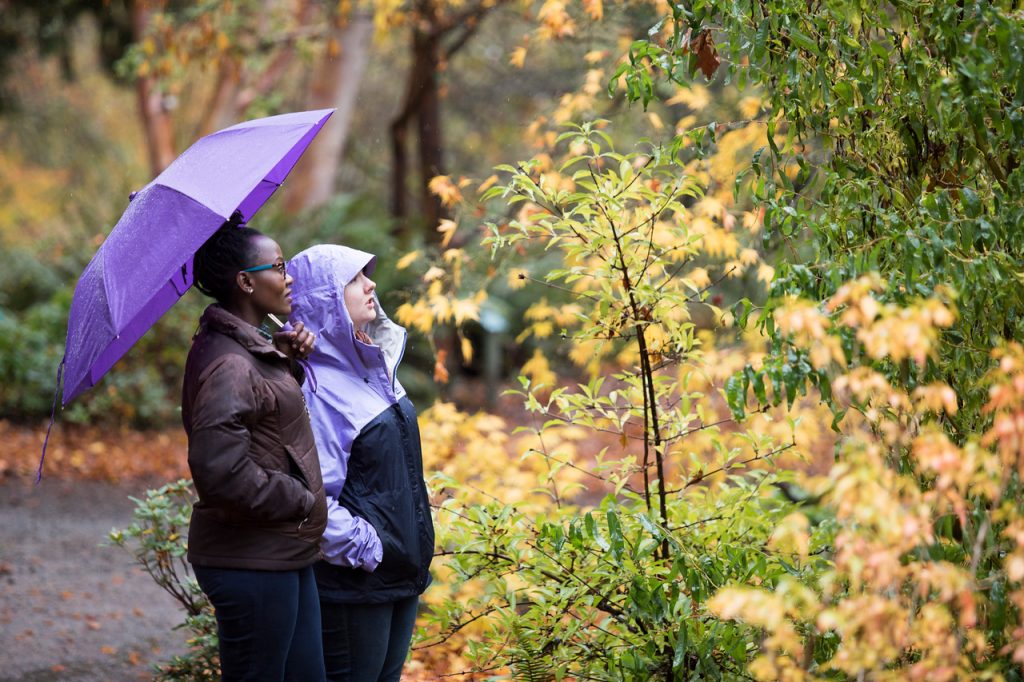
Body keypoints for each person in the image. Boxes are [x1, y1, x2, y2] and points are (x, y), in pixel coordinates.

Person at [182, 221, 328, 681]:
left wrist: (282, 358)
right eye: (279, 267)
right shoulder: (229, 362)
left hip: (281, 552)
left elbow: (265, 422)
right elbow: (219, 470)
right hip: (252, 558)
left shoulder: (246, 349)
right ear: (246, 281)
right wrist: (297, 497)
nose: (289, 278)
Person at [287, 244, 434, 682]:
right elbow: (314, 500)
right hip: (356, 585)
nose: (371, 285)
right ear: (323, 300)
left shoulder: (376, 369)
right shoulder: (317, 387)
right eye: (354, 279)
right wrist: (371, 549)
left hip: (401, 572)